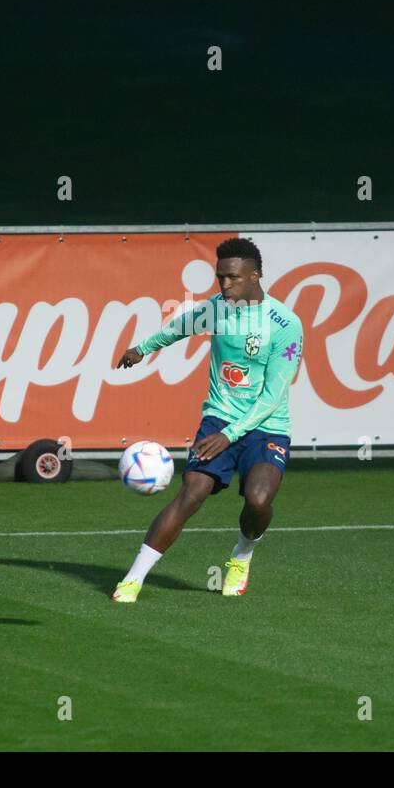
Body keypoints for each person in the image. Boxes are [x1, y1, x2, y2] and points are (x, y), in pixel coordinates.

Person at [111, 237, 303, 603]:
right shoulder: (217, 309)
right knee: (192, 493)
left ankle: (241, 556)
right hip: (219, 419)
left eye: (232, 278)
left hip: (266, 425)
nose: (225, 285)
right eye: (220, 278)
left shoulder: (284, 324)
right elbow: (179, 326)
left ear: (254, 275)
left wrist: (231, 436)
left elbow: (273, 397)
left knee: (259, 500)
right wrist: (142, 349)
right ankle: (133, 580)